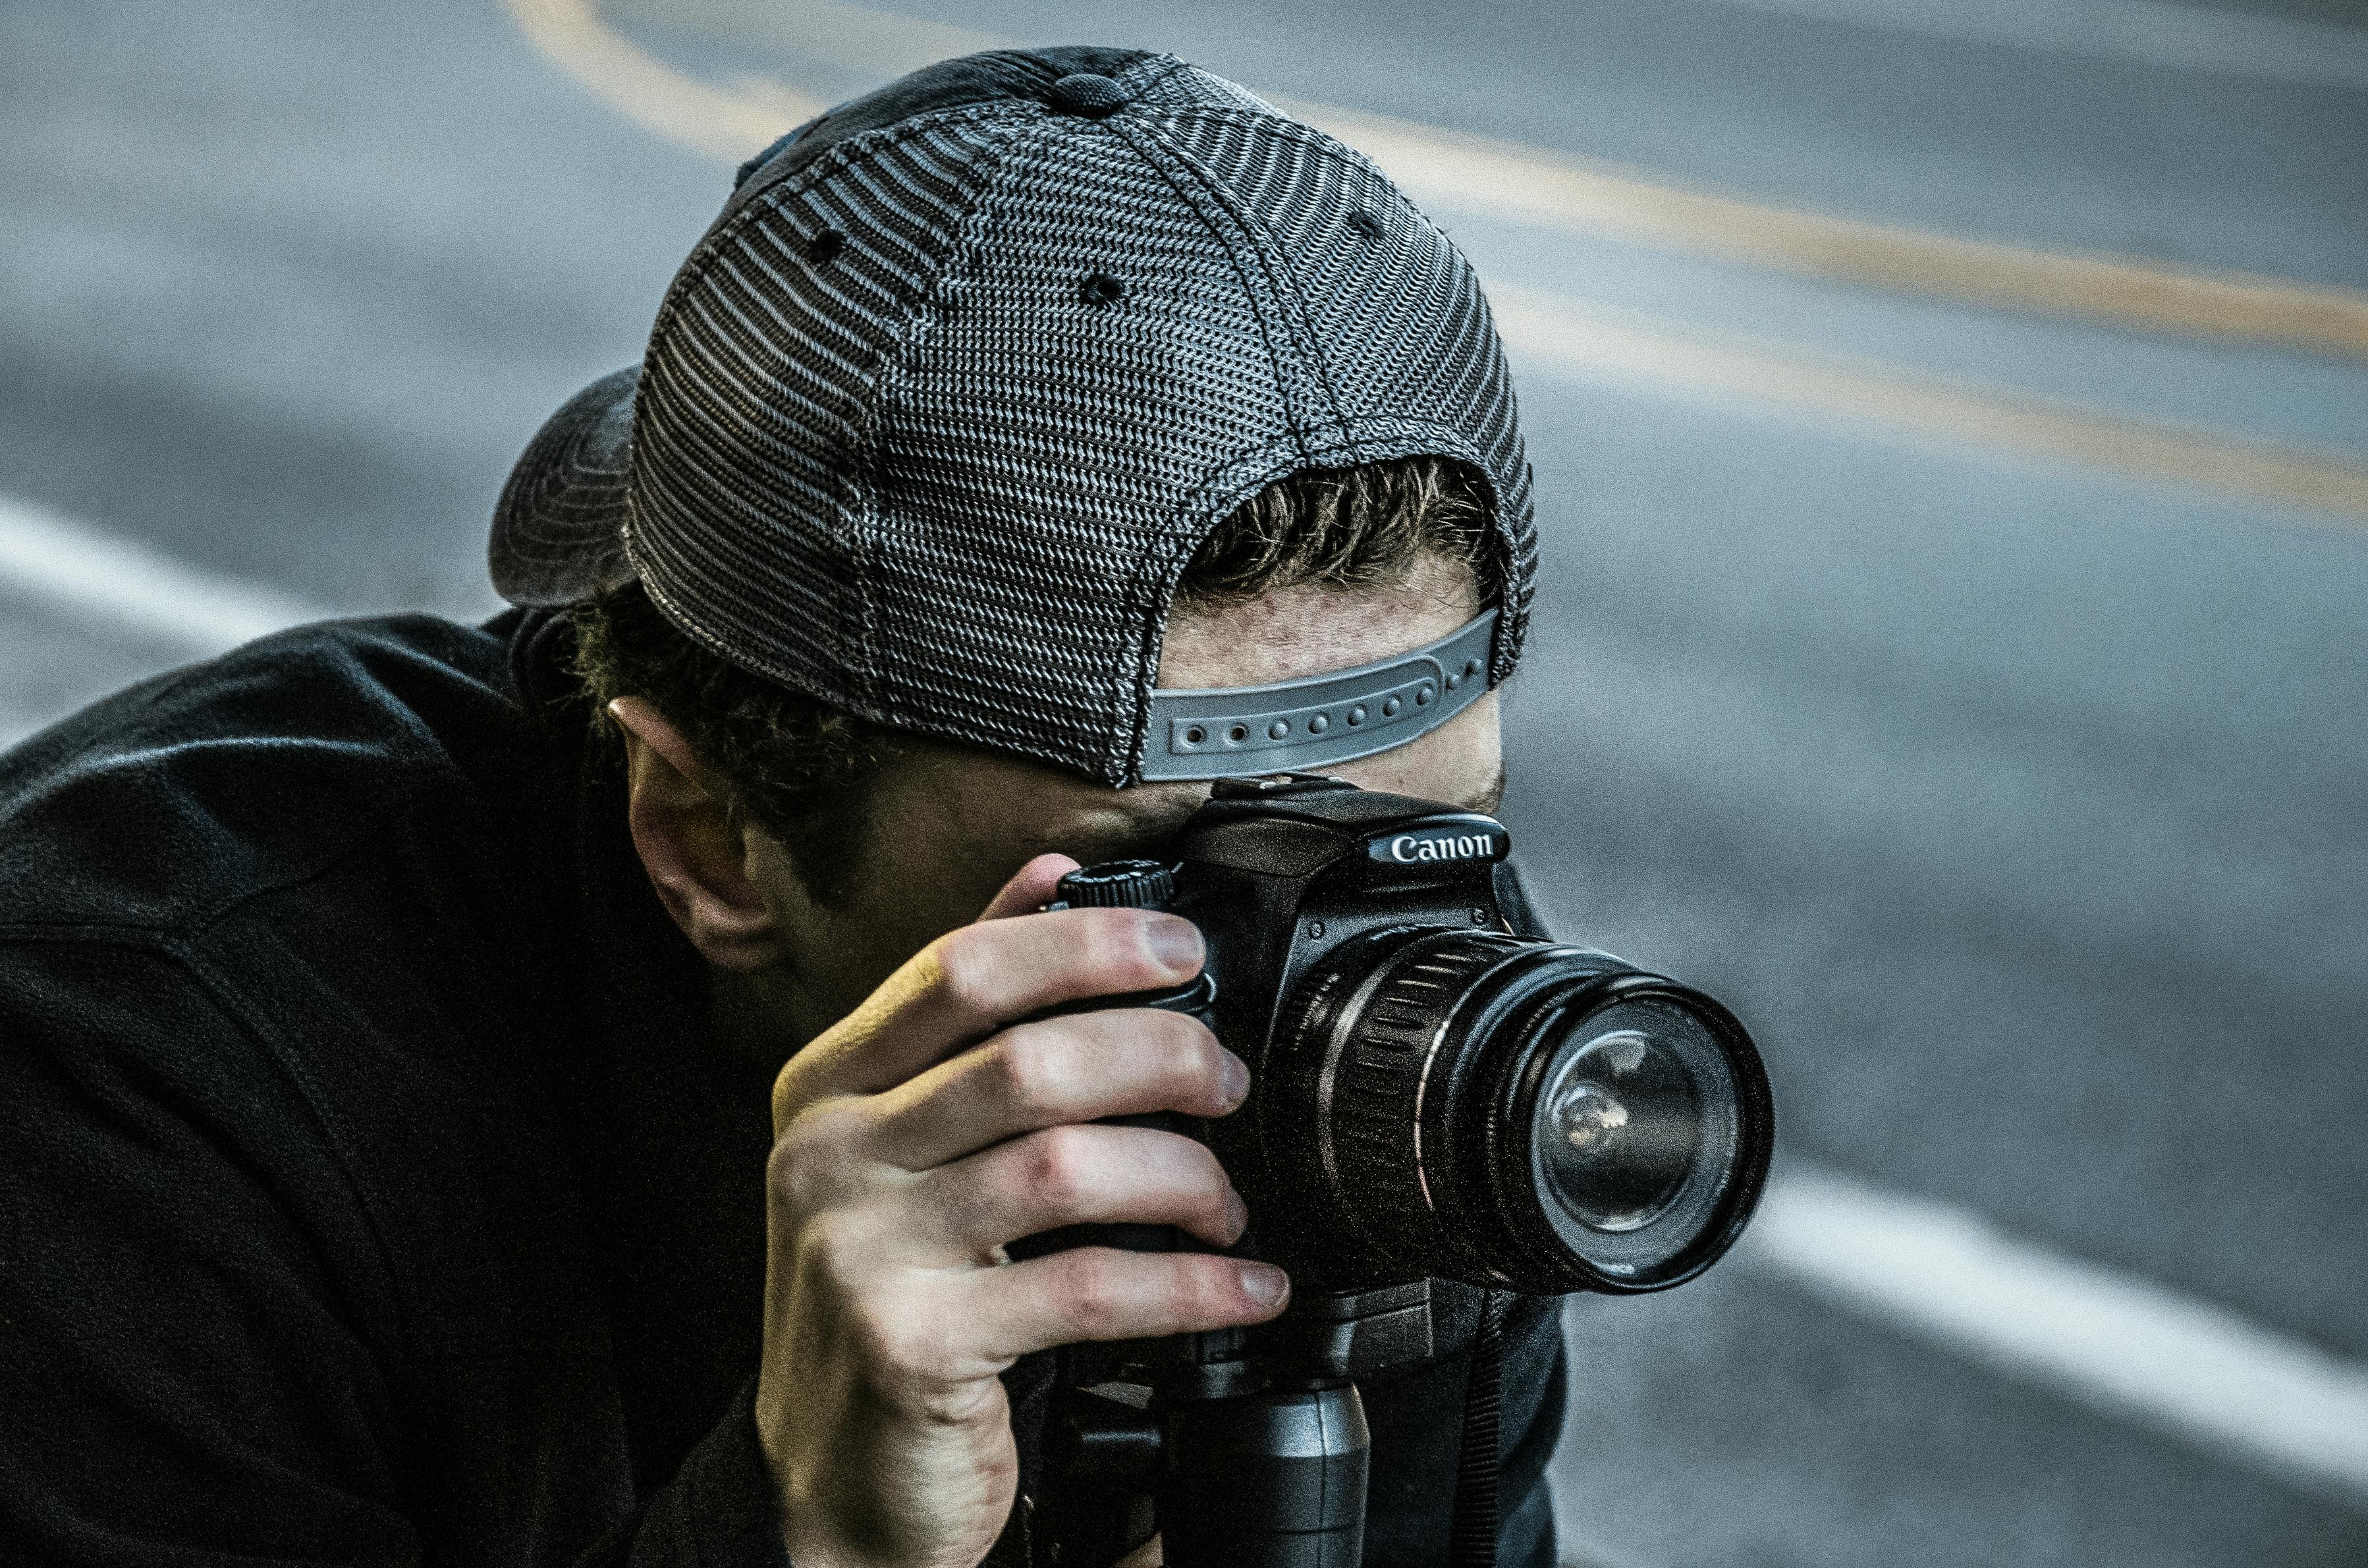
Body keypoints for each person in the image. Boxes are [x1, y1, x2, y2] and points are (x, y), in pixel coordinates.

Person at [0, 45, 1566, 1568]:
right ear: (709, 841)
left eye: (1401, 855)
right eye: (1161, 897)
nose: (1327, 988)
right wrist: (808, 1538)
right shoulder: (133, 1080)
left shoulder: (1408, 1049)